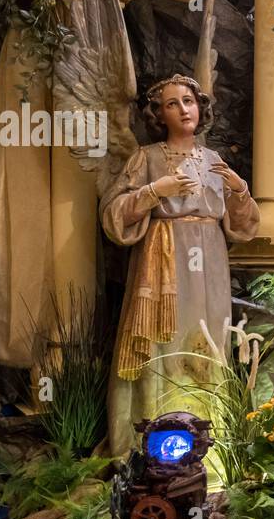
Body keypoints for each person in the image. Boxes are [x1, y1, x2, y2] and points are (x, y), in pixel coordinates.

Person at [101, 73, 259, 454]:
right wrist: (157, 191)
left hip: (212, 260)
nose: (183, 109)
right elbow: (114, 214)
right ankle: (154, 442)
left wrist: (239, 190)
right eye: (172, 103)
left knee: (210, 338)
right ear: (160, 114)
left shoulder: (215, 161)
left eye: (188, 101)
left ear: (199, 107)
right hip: (163, 259)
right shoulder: (147, 157)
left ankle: (211, 443)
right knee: (165, 339)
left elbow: (244, 227)